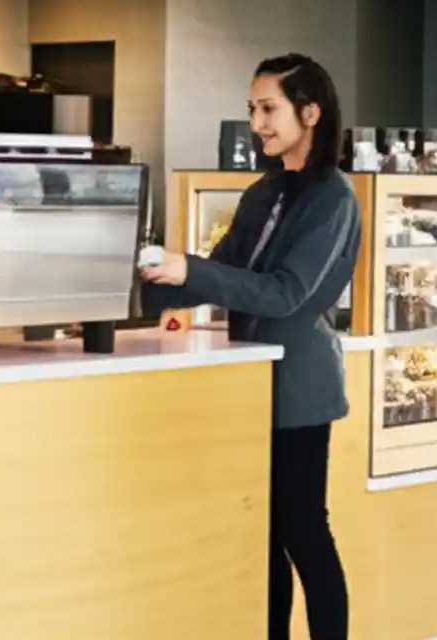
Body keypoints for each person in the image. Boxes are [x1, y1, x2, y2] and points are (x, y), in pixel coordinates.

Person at [142, 53, 357, 640]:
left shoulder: (333, 199)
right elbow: (228, 273)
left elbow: (285, 294)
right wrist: (140, 293)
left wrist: (186, 266)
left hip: (298, 393)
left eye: (269, 108)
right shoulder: (263, 192)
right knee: (264, 539)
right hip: (247, 387)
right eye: (252, 109)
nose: (257, 122)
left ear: (309, 112)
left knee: (305, 533)